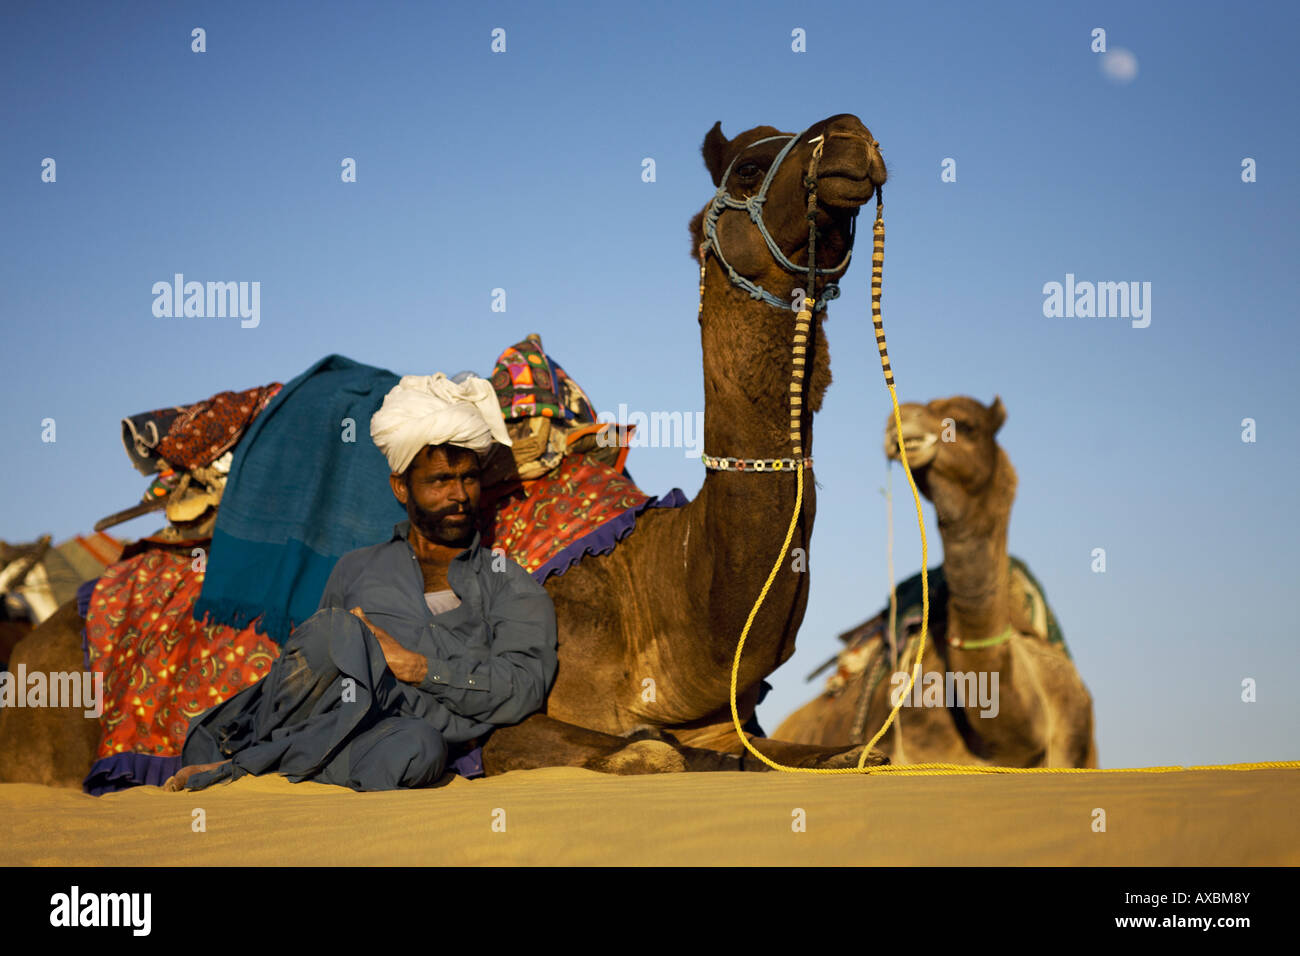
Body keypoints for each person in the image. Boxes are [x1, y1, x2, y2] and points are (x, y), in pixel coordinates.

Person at [163, 373, 557, 791]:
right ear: (401, 488)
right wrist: (357, 647)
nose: (459, 494)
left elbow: (524, 685)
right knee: (336, 632)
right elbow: (306, 674)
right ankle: (252, 759)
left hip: (397, 734)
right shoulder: (355, 568)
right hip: (325, 720)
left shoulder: (508, 583)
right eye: (440, 481)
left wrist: (419, 668)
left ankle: (250, 768)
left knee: (419, 750)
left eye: (469, 478)